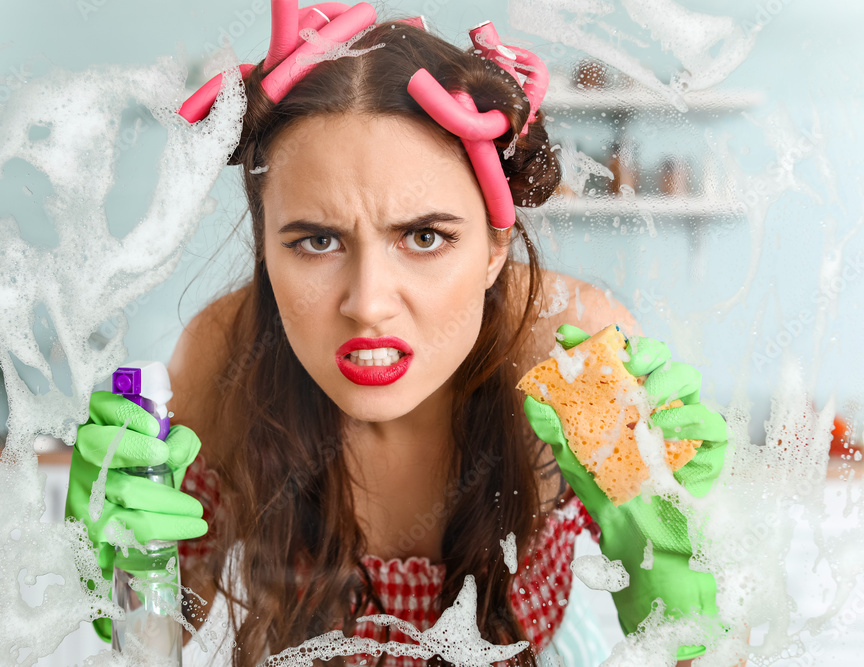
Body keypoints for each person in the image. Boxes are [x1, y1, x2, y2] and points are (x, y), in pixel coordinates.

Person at [66, 4, 729, 666]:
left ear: (496, 246)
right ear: (265, 243)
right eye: (318, 240)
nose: (368, 304)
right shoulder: (229, 353)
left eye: (424, 236)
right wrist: (121, 572)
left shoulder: (567, 349)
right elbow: (167, 628)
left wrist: (670, 579)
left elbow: (706, 651)